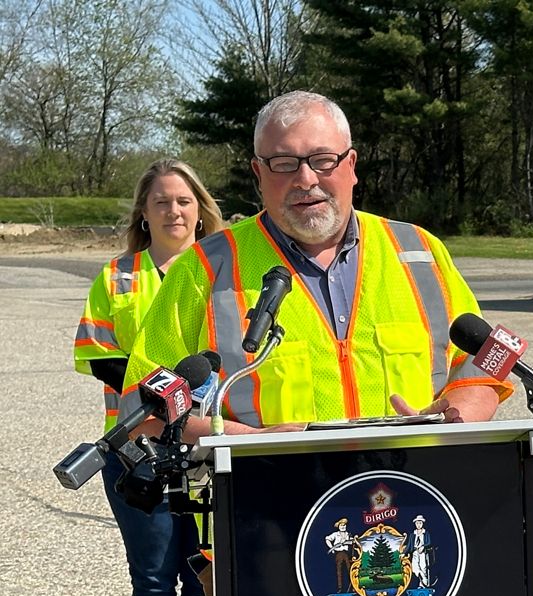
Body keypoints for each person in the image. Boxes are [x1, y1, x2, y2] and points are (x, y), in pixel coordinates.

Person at [120, 89, 511, 438]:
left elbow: (486, 361)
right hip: (268, 505)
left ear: (352, 165)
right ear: (259, 173)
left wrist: (463, 415)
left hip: (408, 498)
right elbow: (143, 405)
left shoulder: (420, 251)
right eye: (285, 163)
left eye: (324, 160)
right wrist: (249, 441)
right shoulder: (204, 268)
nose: (306, 179)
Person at [74, 158, 225, 596]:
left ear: (200, 208)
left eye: (184, 200)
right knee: (155, 575)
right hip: (138, 452)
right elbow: (102, 360)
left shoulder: (224, 274)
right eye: (161, 200)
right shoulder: (118, 276)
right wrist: (162, 398)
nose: (173, 210)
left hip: (210, 448)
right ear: (144, 211)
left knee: (205, 570)